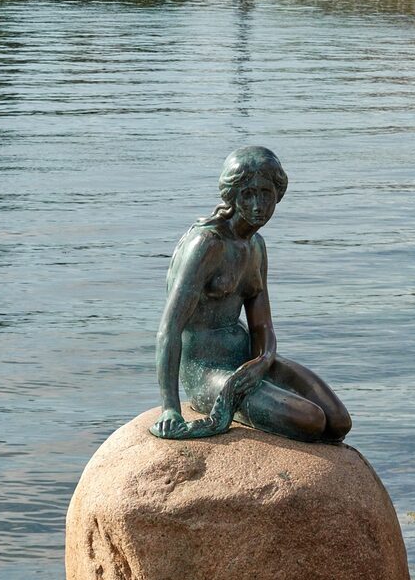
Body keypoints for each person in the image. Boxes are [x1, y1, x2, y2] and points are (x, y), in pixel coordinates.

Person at [150, 146, 351, 443]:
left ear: (277, 194)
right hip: (206, 373)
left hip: (248, 362)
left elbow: (262, 326)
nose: (258, 205)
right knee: (311, 420)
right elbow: (169, 330)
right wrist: (170, 408)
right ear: (231, 196)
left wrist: (263, 360)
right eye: (248, 194)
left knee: (338, 421)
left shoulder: (256, 246)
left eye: (266, 194)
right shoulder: (207, 245)